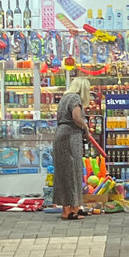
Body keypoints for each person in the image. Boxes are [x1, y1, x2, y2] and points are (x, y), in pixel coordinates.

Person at [53, 77, 91, 221]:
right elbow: (76, 117)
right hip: (70, 136)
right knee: (72, 171)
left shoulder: (64, 97)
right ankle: (69, 211)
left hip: (61, 134)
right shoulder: (75, 98)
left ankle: (72, 207)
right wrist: (85, 126)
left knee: (64, 172)